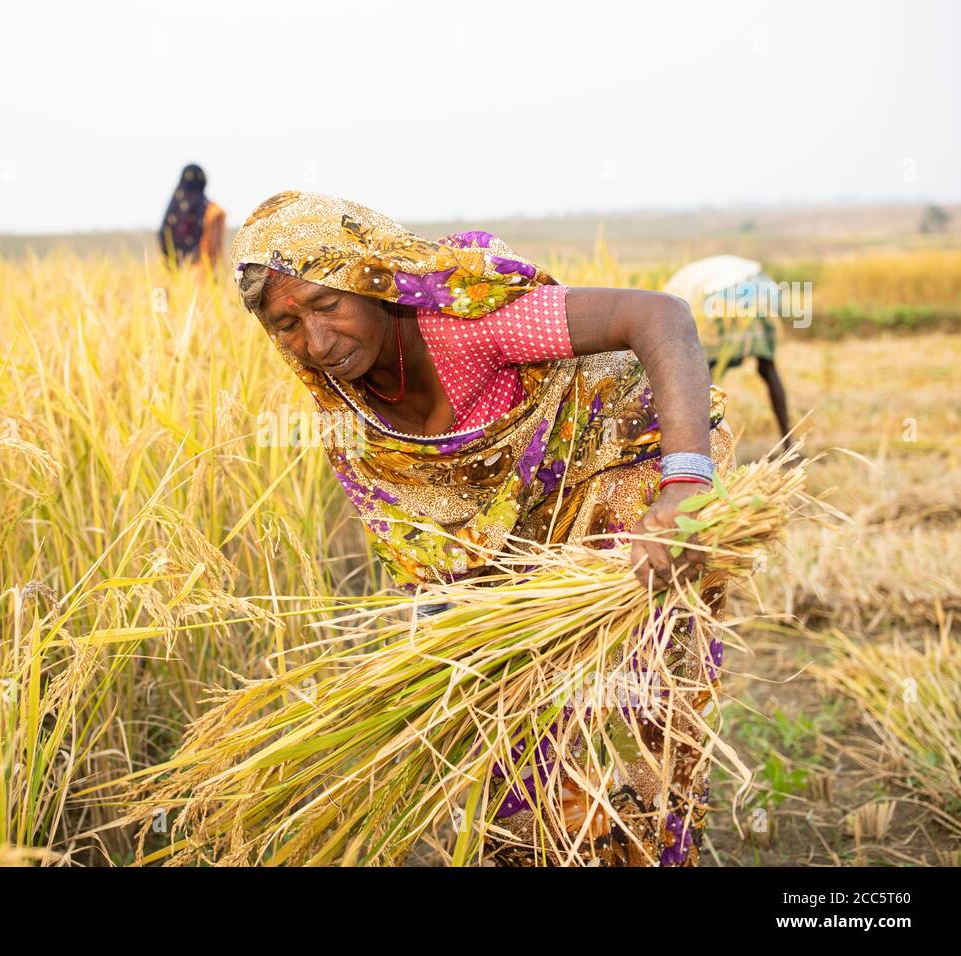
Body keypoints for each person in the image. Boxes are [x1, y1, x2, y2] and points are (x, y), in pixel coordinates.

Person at [231, 190, 738, 867]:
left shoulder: (466, 325)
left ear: (374, 280)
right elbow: (431, 560)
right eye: (286, 324)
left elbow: (660, 316)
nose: (316, 342)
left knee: (627, 698)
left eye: (328, 304)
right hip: (521, 559)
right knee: (517, 726)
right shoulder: (347, 415)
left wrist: (683, 484)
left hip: (627, 477)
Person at [663, 255, 793, 449]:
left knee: (704, 378)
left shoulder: (683, 286)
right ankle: (789, 443)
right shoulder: (747, 271)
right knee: (767, 367)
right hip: (755, 292)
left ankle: (702, 447)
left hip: (720, 300)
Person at [158, 164, 226, 269]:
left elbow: (163, 235)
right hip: (202, 272)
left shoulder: (176, 206)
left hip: (182, 272)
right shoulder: (212, 210)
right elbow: (215, 249)